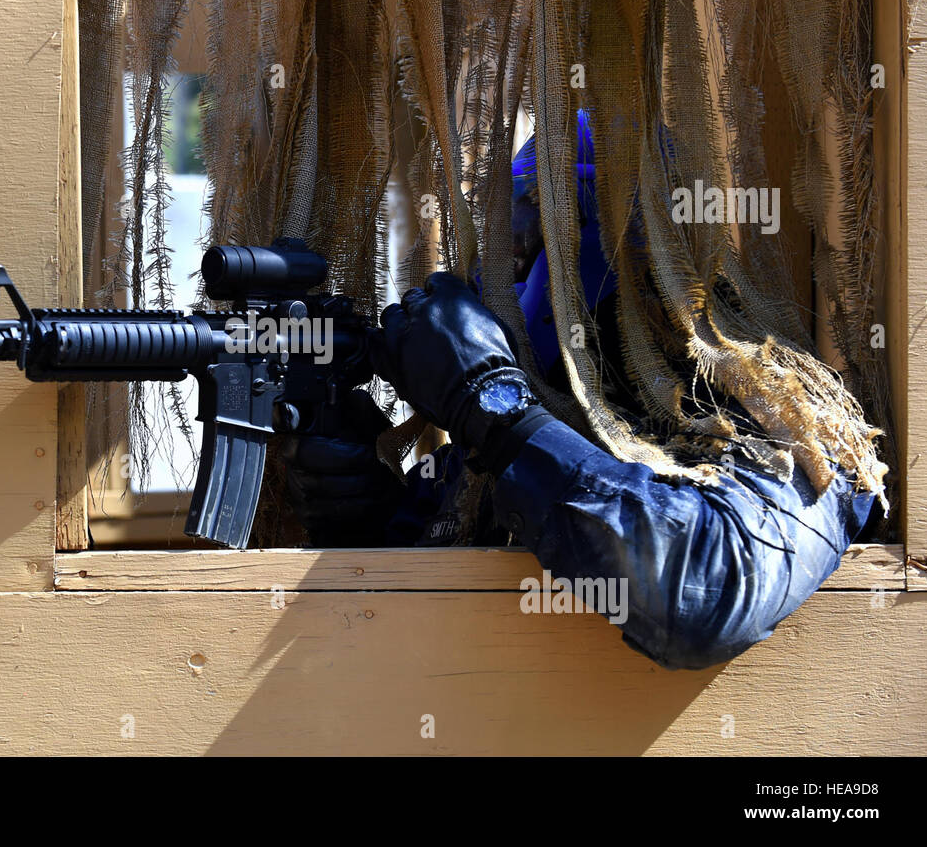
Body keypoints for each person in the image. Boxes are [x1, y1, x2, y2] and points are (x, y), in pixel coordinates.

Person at [282, 112, 881, 671]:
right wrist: (361, 519)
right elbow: (398, 633)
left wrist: (493, 407)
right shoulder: (507, 446)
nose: (495, 274)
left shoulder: (781, 414)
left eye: (520, 236)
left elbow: (705, 591)